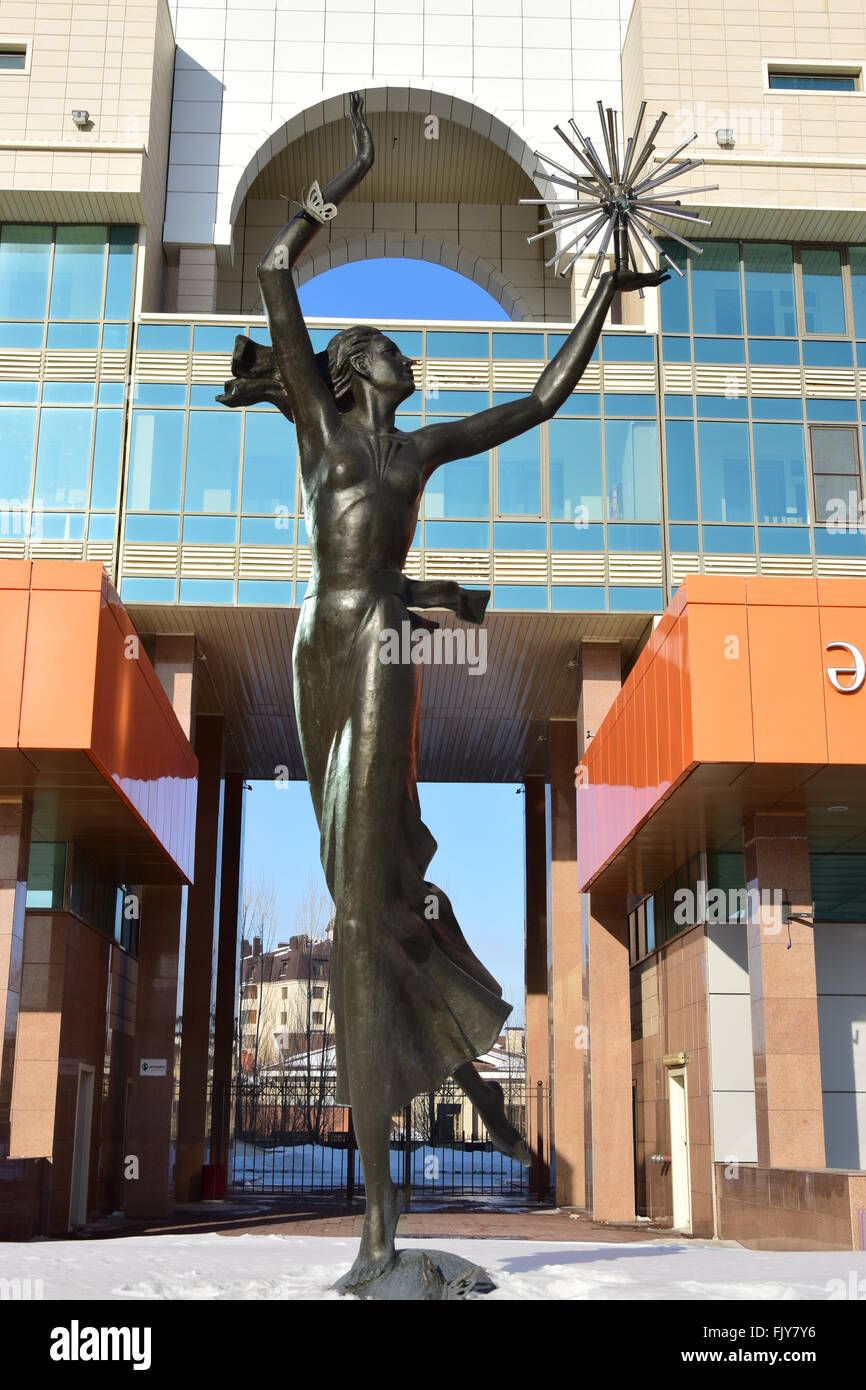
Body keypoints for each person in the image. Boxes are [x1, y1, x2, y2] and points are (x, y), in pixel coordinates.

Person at [219, 91, 667, 1290]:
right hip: (327, 648)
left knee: (367, 912)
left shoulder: (417, 452)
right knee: (356, 897)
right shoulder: (324, 428)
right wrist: (342, 182)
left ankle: (381, 1222)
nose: (412, 356)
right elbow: (271, 267)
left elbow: (536, 403)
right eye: (395, 347)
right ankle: (396, 1165)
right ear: (360, 368)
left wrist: (603, 296)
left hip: (380, 651)